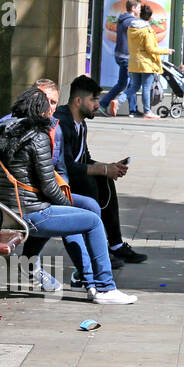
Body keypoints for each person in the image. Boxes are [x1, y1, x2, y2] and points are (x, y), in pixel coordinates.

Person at [0, 88, 137, 304]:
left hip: (10, 211)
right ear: (41, 111)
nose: (51, 112)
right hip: (31, 213)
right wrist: (69, 206)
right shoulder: (37, 136)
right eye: (48, 107)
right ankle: (104, 287)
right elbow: (49, 185)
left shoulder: (6, 130)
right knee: (91, 221)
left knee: (83, 211)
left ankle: (89, 280)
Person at [54, 75, 147, 266]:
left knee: (105, 179)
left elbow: (85, 158)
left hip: (71, 177)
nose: (98, 104)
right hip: (58, 182)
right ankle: (98, 252)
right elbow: (67, 166)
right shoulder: (63, 123)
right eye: (93, 100)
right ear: (79, 101)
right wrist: (103, 169)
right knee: (93, 180)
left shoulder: (81, 122)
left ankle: (115, 245)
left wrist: (109, 167)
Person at [126, 5, 171, 120]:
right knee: (146, 88)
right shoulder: (147, 30)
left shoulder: (131, 28)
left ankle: (116, 100)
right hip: (146, 64)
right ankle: (147, 112)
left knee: (134, 86)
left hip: (134, 62)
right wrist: (167, 51)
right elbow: (150, 49)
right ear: (150, 18)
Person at [99, 0, 140, 117]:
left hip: (120, 55)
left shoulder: (122, 19)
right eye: (138, 8)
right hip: (127, 56)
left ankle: (104, 104)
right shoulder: (131, 21)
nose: (139, 10)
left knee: (123, 83)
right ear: (133, 8)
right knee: (133, 84)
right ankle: (132, 110)